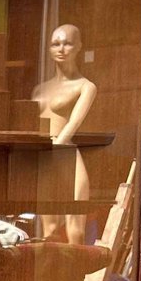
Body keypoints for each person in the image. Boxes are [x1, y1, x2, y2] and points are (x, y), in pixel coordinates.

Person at [32, 23, 97, 245]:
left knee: (75, 231)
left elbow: (73, 124)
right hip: (43, 156)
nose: (61, 49)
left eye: (67, 43)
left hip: (65, 152)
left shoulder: (85, 86)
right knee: (49, 230)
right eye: (55, 44)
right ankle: (51, 278)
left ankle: (73, 280)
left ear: (78, 46)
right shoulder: (40, 90)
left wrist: (55, 151)